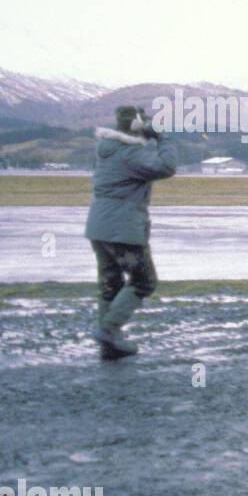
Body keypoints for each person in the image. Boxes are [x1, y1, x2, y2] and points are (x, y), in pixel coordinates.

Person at [84, 106, 178, 359]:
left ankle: (109, 346)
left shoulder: (107, 150)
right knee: (144, 280)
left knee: (110, 284)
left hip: (98, 226)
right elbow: (167, 167)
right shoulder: (130, 154)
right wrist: (162, 138)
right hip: (122, 228)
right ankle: (108, 329)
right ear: (138, 125)